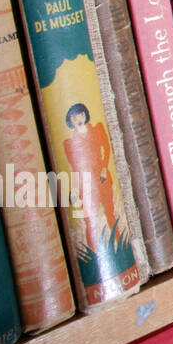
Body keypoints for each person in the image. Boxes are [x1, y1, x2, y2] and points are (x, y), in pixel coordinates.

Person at [62, 103, 116, 253]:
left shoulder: (97, 129)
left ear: (85, 115)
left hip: (101, 178)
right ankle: (94, 252)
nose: (78, 118)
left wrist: (104, 168)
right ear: (70, 120)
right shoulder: (69, 143)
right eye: (74, 117)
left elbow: (106, 148)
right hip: (85, 184)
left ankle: (118, 244)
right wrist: (73, 188)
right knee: (89, 219)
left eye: (80, 114)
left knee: (110, 212)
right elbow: (74, 167)